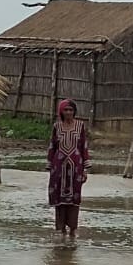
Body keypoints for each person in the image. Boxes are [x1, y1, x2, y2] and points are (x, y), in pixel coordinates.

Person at [47, 99, 90, 238]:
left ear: (74, 111)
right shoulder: (57, 127)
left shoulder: (80, 126)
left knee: (74, 198)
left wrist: (85, 169)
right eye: (66, 110)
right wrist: (49, 164)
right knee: (59, 198)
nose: (68, 112)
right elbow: (52, 146)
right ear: (61, 111)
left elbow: (84, 147)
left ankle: (72, 229)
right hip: (58, 167)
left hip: (76, 167)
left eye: (71, 110)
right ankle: (60, 229)